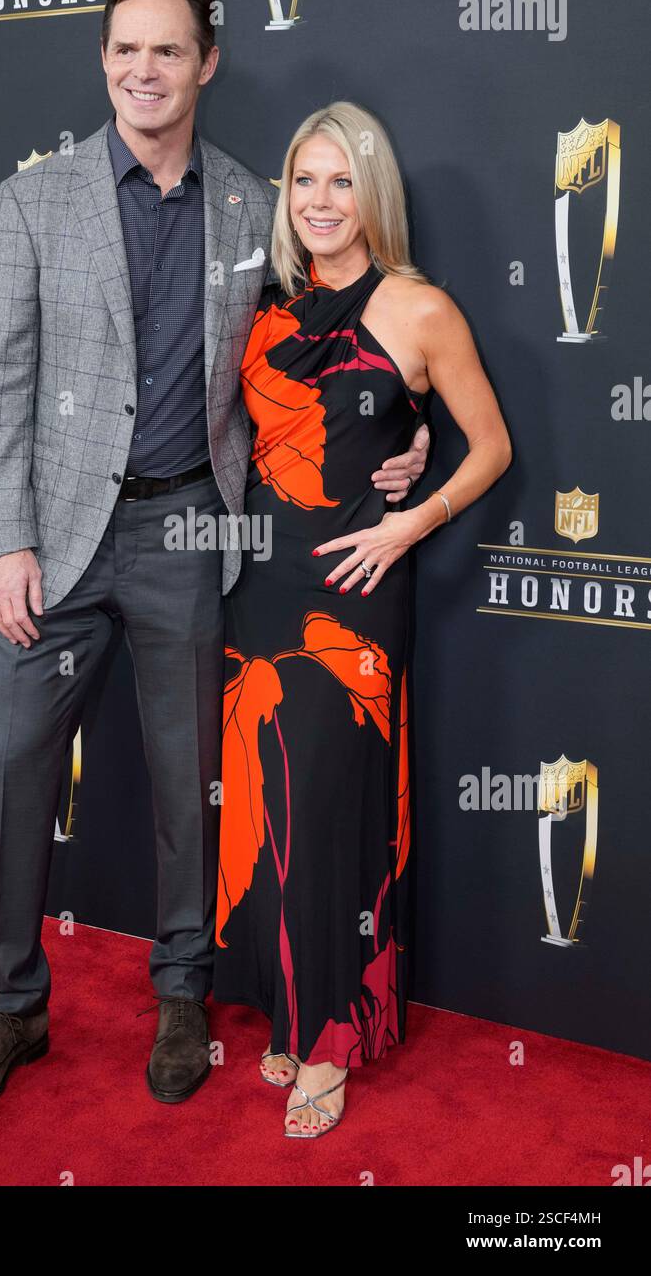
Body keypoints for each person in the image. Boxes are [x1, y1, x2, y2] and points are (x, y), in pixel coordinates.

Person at [0, 0, 430, 1124]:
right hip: (52, 543)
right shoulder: (33, 199)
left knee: (187, 781)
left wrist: (393, 449)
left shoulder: (257, 207)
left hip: (191, 531)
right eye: (121, 51)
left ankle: (181, 995)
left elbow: (322, 356)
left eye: (165, 52)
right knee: (11, 771)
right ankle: (12, 1005)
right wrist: (3, 539)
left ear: (206, 64)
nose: (140, 71)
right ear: (101, 61)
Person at [212, 100, 512, 1138]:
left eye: (341, 181)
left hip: (355, 596)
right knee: (272, 800)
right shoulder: (260, 305)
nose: (320, 201)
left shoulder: (420, 309)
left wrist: (410, 520)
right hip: (259, 586)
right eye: (303, 181)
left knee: (337, 811)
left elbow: (490, 446)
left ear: (370, 193)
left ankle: (333, 1036)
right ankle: (289, 1004)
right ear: (282, 197)